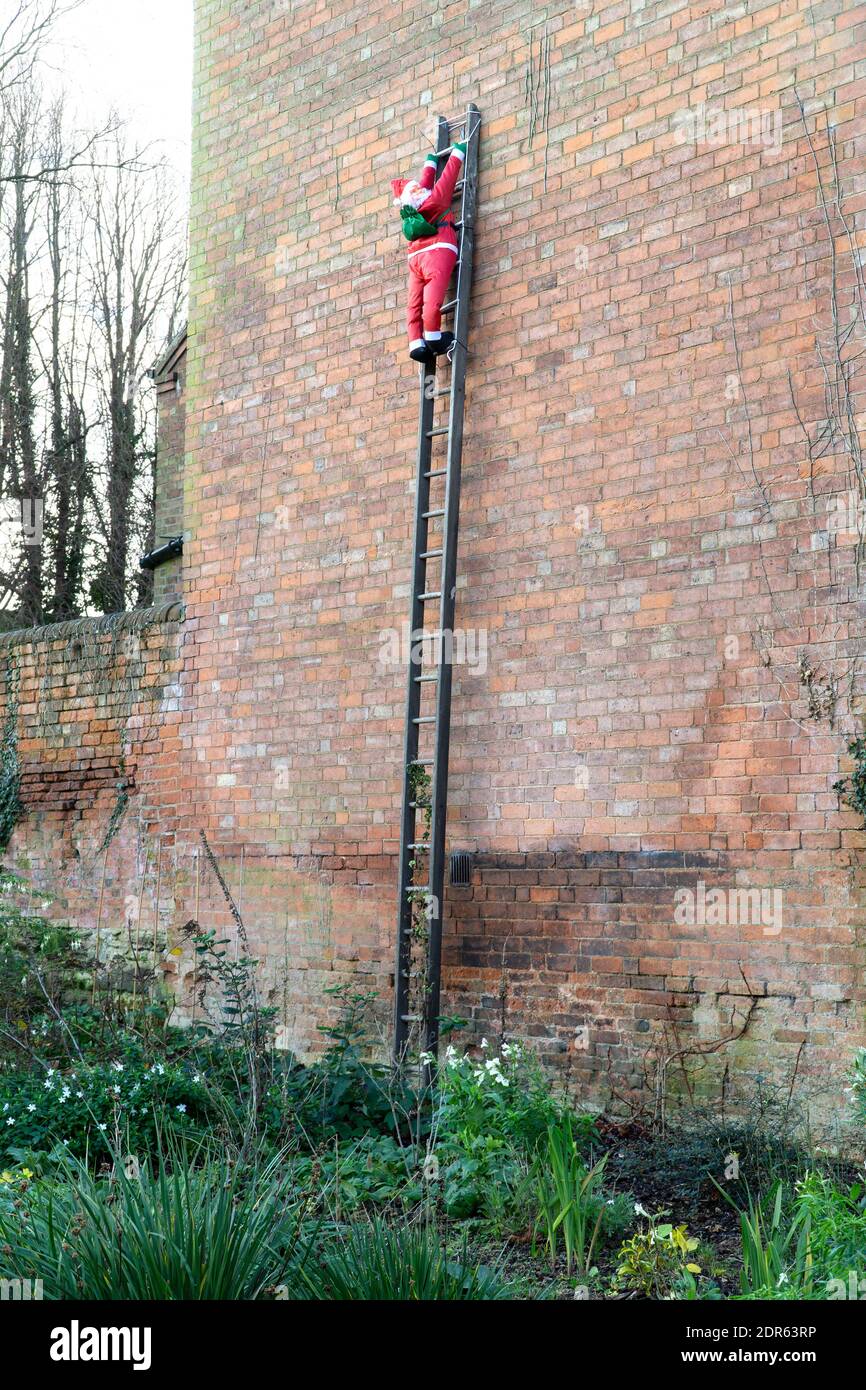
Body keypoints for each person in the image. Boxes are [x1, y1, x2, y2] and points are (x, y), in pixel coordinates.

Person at [391, 140, 466, 363]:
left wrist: (431, 162)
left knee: (414, 302)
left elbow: (423, 185)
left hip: (415, 257)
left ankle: (416, 343)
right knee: (432, 299)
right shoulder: (435, 199)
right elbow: (449, 176)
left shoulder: (410, 209)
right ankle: (433, 336)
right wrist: (459, 151)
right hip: (439, 250)